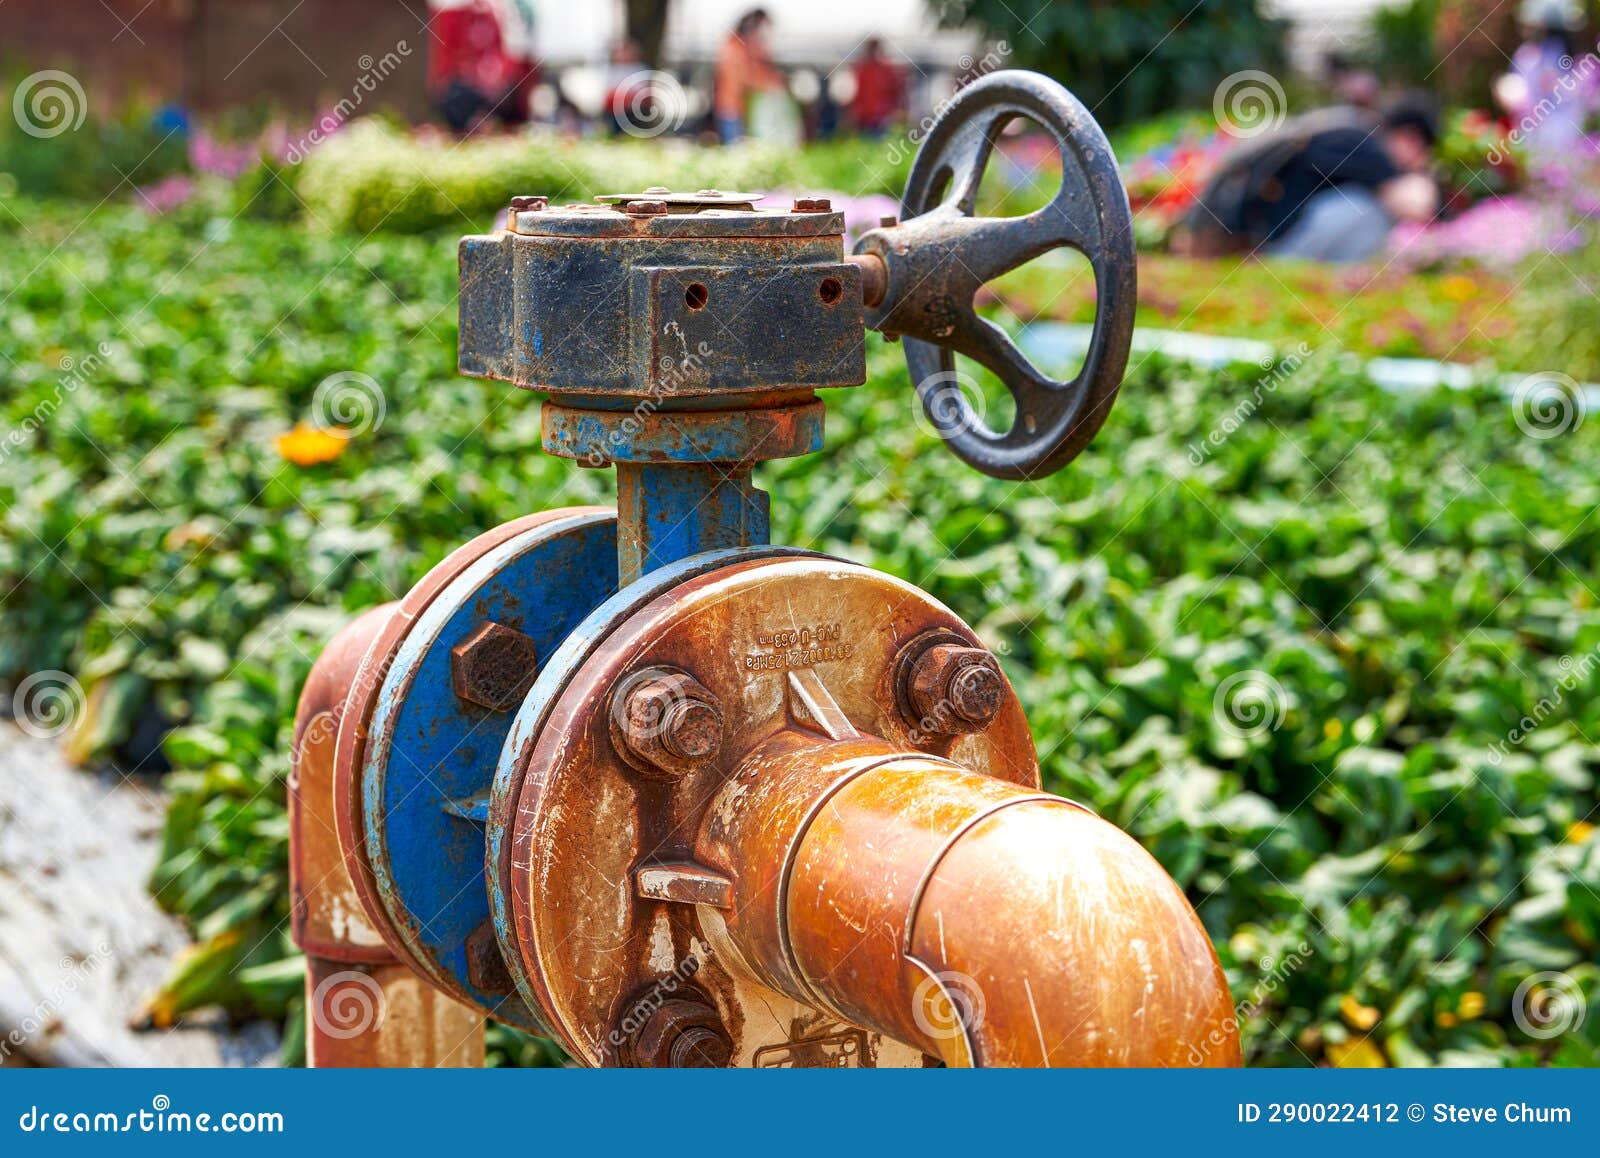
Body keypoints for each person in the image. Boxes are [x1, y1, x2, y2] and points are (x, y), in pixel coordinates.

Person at [1180, 96, 1442, 262]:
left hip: (1258, 236)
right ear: (1411, 138)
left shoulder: (1350, 132)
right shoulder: (1369, 148)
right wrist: (1423, 175)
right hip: (1279, 248)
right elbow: (1419, 206)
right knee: (1370, 210)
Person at [713, 8, 783, 144]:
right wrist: (767, 85)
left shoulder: (739, 47)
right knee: (735, 148)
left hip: (737, 108)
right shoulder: (735, 48)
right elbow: (742, 77)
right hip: (730, 110)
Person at [849, 37, 903, 137]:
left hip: (882, 117)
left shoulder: (887, 69)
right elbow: (857, 93)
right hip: (865, 117)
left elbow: (895, 92)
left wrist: (894, 112)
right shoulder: (862, 68)